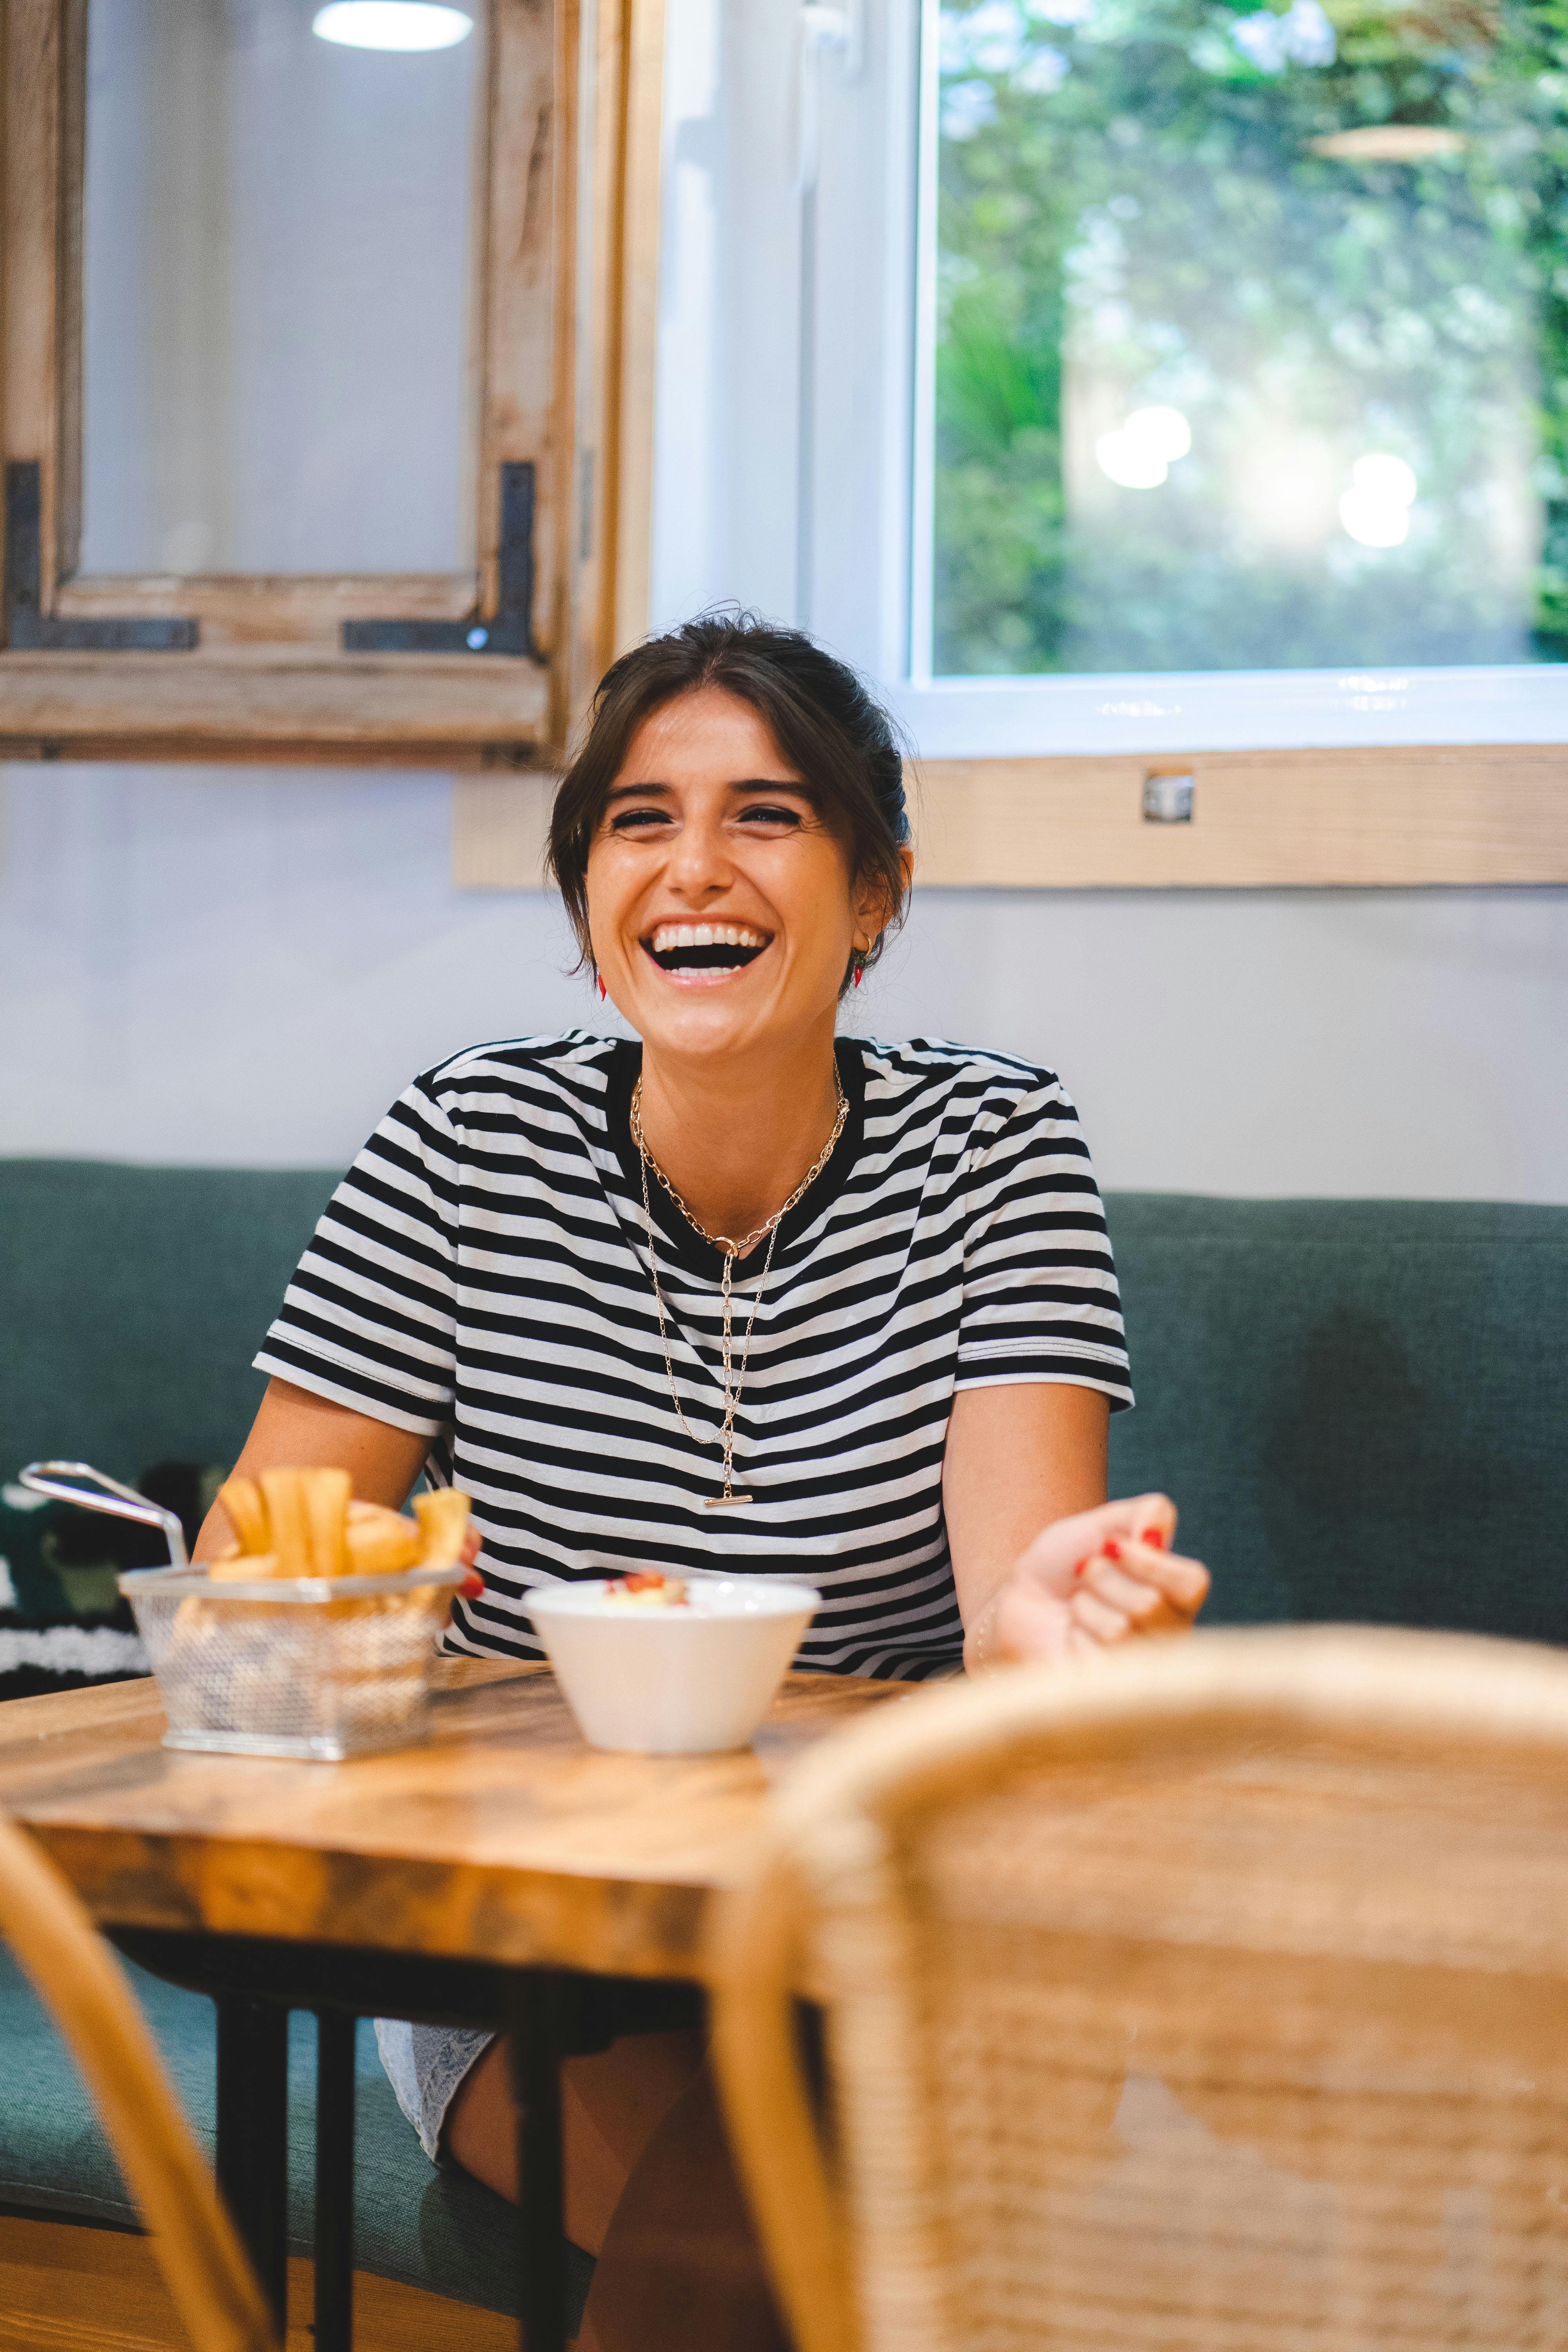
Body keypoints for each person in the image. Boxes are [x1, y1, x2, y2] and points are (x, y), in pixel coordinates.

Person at [194, 613, 1209, 2350]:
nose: (694, 866)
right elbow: (253, 1585)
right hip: (524, 1949)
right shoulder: (461, 1144)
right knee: (789, 2241)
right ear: (588, 897)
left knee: (811, 2195)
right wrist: (342, 1610)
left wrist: (1049, 1641)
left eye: (769, 814)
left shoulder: (998, 1150)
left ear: (876, 892)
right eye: (638, 819)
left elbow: (1013, 1622)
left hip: (882, 1942)